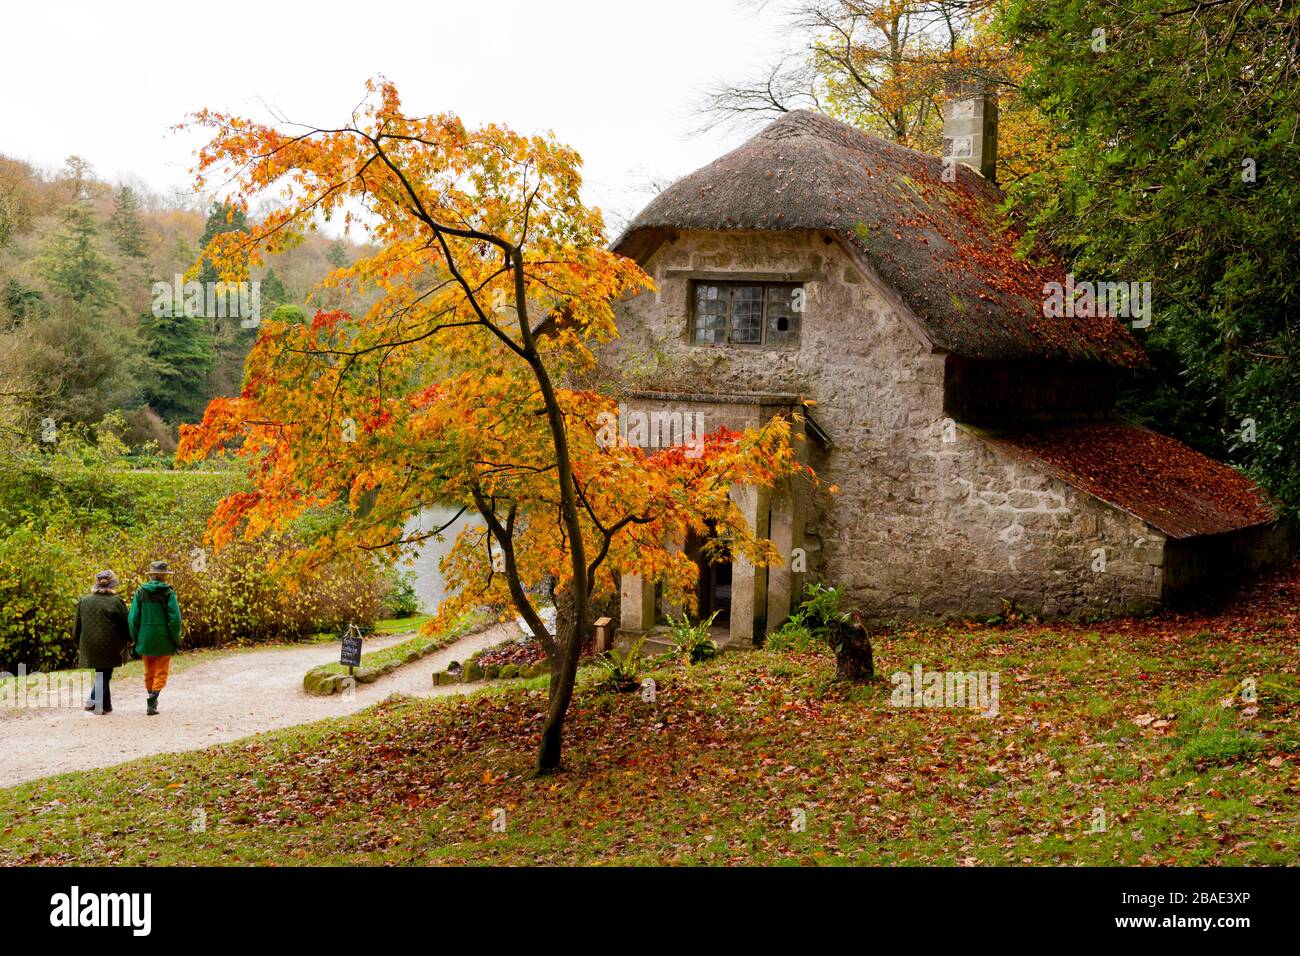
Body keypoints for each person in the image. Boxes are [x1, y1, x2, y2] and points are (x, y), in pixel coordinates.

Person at [128, 560, 183, 716]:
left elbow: (133, 618)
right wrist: (175, 638)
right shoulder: (168, 593)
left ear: (151, 575)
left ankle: (151, 696)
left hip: (145, 637)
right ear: (165, 576)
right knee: (161, 670)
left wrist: (135, 636)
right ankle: (153, 699)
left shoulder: (140, 593)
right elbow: (175, 620)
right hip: (163, 638)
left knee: (149, 670)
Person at [75, 570, 131, 715]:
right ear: (112, 584)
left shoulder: (84, 600)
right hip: (110, 644)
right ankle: (91, 700)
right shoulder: (116, 601)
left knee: (102, 670)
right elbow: (126, 623)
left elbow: (77, 626)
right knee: (106, 672)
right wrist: (130, 639)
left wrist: (79, 644)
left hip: (88, 643)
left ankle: (106, 706)